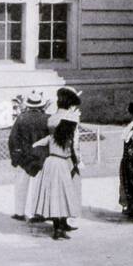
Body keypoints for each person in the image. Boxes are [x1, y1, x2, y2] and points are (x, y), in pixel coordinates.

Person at [30, 87, 82, 241]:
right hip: (63, 161)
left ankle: (62, 223)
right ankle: (58, 229)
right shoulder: (71, 120)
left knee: (57, 193)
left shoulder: (52, 118)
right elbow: (74, 144)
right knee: (63, 194)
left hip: (51, 160)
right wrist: (77, 161)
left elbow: (52, 138)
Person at [8, 90, 48, 223]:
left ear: (28, 105)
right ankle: (37, 213)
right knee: (38, 187)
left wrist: (15, 157)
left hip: (24, 157)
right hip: (41, 157)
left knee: (20, 186)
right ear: (41, 105)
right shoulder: (47, 119)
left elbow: (13, 139)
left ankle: (19, 212)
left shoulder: (21, 118)